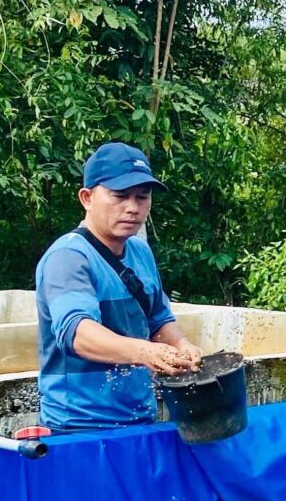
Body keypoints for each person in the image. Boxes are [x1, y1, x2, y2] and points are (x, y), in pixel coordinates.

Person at [34, 142, 203, 431]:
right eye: (120, 196)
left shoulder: (140, 252)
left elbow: (158, 320)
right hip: (79, 426)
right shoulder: (69, 257)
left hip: (139, 418)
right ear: (87, 198)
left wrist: (181, 345)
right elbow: (77, 334)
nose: (133, 208)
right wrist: (144, 352)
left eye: (142, 197)